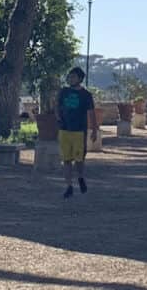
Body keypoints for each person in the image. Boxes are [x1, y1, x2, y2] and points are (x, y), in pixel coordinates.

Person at [57, 66, 97, 198]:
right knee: (66, 159)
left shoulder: (86, 95)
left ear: (80, 79)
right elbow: (57, 106)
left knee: (79, 160)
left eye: (73, 76)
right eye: (69, 76)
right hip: (64, 130)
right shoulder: (63, 92)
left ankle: (80, 177)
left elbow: (91, 113)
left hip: (79, 131)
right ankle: (69, 186)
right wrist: (58, 119)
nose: (70, 79)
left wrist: (94, 129)